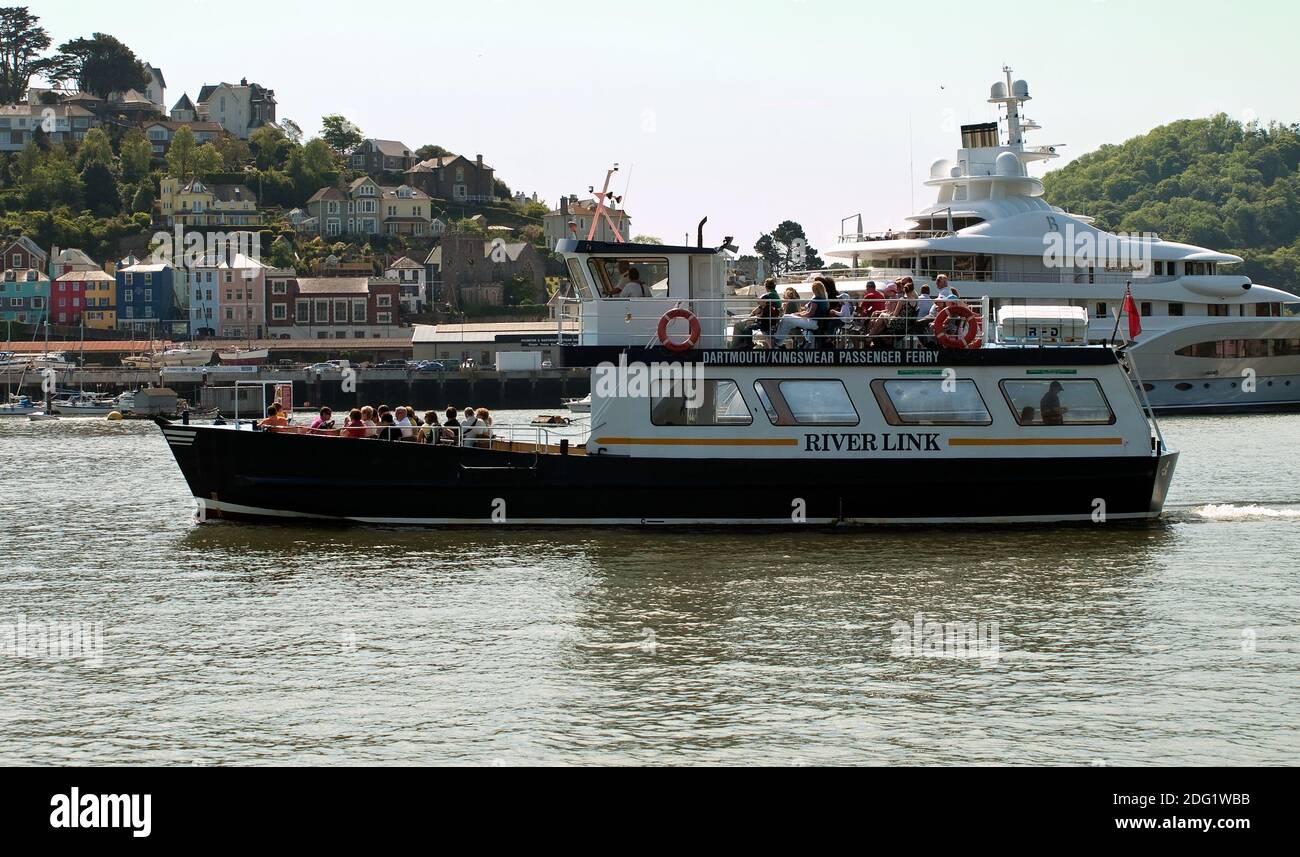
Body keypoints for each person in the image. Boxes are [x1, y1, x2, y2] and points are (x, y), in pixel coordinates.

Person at [773, 280, 830, 347]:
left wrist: (799, 315)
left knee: (786, 318)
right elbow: (809, 312)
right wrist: (797, 314)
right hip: (815, 322)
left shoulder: (816, 299)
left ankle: (778, 341)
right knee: (788, 319)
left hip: (812, 322)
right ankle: (800, 341)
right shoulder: (824, 300)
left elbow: (810, 314)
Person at [734, 277, 783, 346]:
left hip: (765, 321)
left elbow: (758, 305)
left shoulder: (767, 296)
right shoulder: (776, 296)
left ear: (766, 287)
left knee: (745, 328)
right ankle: (746, 344)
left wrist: (752, 315)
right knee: (748, 324)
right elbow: (760, 307)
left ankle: (749, 346)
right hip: (773, 321)